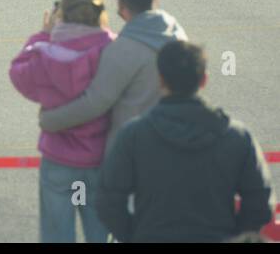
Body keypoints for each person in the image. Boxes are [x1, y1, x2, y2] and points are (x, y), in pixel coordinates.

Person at [96, 40, 273, 242]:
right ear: (204, 80)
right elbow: (260, 202)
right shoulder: (237, 137)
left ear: (160, 80)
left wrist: (134, 236)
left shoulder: (133, 135)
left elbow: (108, 201)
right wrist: (234, 238)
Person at [9, 0, 116, 243]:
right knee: (100, 232)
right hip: (101, 157)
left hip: (59, 157)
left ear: (62, 13)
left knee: (56, 233)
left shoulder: (46, 52)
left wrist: (42, 35)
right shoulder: (112, 49)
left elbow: (19, 75)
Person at [39, 0, 186, 150]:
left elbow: (94, 103)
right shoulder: (178, 35)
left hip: (134, 152)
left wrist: (49, 120)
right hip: (176, 144)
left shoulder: (122, 49)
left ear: (119, 0)